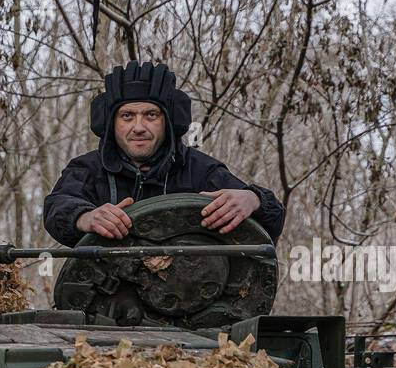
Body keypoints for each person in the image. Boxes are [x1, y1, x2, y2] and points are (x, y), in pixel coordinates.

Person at [43, 61, 286, 247]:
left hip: (191, 298)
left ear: (168, 122)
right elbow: (58, 206)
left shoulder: (200, 170)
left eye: (151, 115)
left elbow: (271, 220)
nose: (138, 127)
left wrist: (253, 200)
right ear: (111, 123)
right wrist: (85, 217)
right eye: (127, 116)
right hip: (108, 297)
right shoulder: (88, 168)